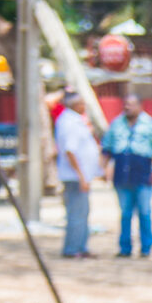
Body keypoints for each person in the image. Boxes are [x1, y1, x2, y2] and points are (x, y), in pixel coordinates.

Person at [100, 92, 152, 259]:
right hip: (122, 175)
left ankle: (146, 248)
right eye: (126, 104)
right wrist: (103, 169)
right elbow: (106, 149)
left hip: (143, 174)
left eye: (131, 104)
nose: (127, 107)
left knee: (144, 212)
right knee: (125, 213)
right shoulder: (117, 124)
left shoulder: (150, 125)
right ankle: (125, 248)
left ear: (140, 106)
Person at [52, 91, 100, 259]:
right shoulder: (69, 123)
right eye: (82, 103)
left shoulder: (74, 120)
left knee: (83, 212)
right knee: (76, 213)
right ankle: (72, 249)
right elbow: (70, 151)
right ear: (75, 105)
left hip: (80, 176)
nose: (84, 106)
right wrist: (81, 176)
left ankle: (81, 246)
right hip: (74, 177)